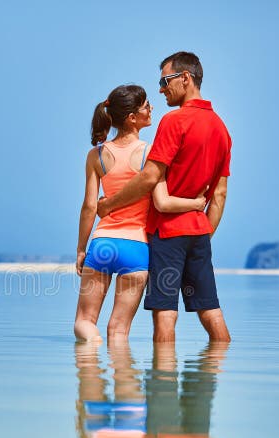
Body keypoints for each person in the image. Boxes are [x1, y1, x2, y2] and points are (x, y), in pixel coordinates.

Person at [97, 52, 233, 343]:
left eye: (164, 81)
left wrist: (108, 204)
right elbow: (220, 194)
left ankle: (163, 372)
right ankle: (220, 362)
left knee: (165, 312)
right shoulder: (222, 129)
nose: (160, 90)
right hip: (199, 233)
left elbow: (149, 177)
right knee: (211, 310)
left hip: (167, 233)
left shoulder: (174, 121)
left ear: (185, 78)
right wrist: (202, 235)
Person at [74, 84, 207, 343]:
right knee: (119, 331)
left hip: (102, 244)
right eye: (146, 105)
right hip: (136, 247)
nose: (152, 108)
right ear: (132, 118)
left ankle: (91, 347)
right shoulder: (151, 153)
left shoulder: (96, 156)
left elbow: (89, 207)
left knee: (85, 321)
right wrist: (195, 203)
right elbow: (162, 202)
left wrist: (81, 249)